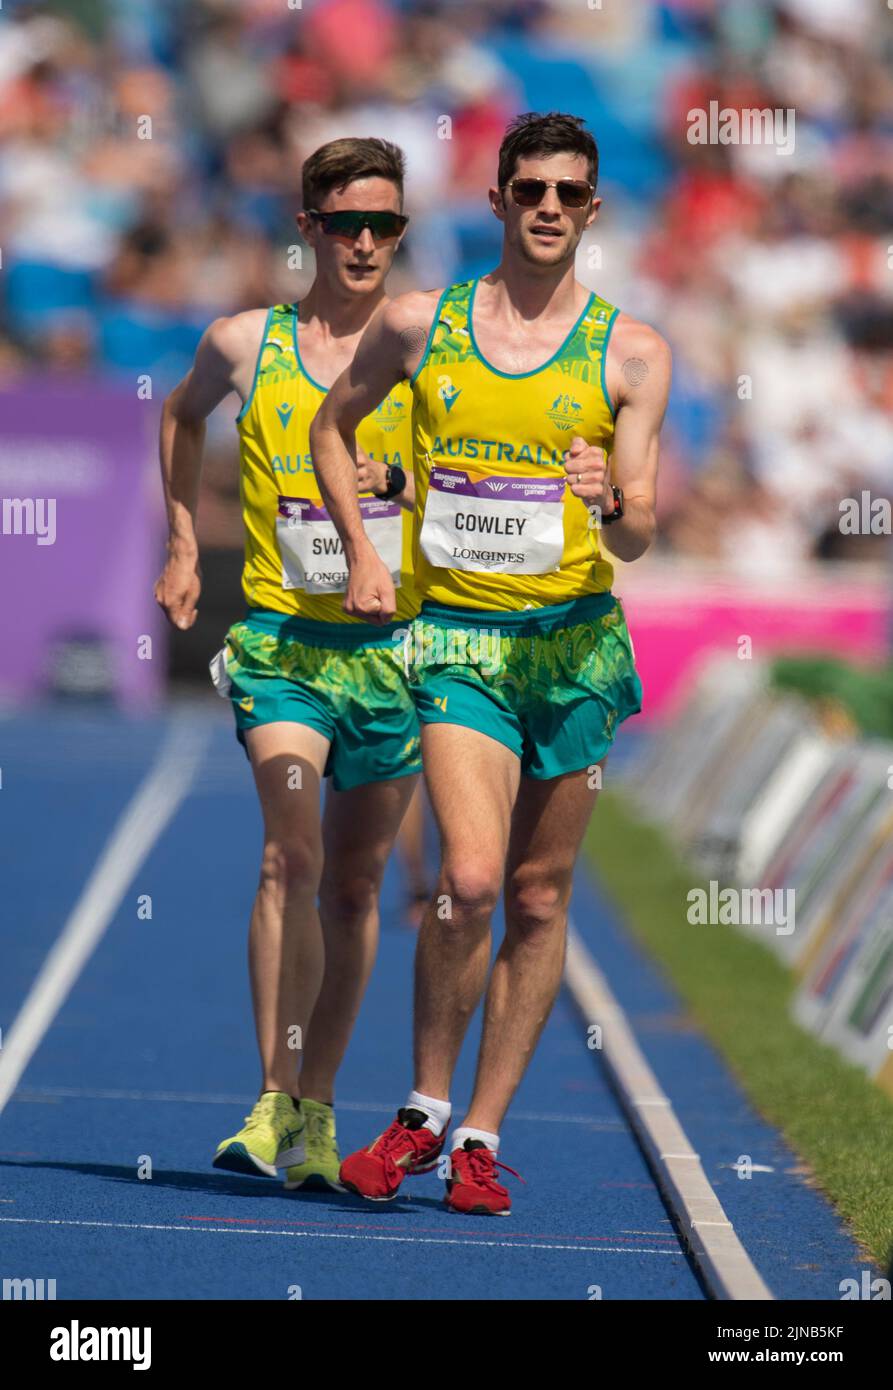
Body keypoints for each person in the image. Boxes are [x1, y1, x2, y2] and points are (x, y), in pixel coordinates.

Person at [310, 112, 671, 1215]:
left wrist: (607, 493)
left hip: (571, 649)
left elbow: (638, 529)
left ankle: (479, 1133)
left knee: (536, 892)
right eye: (529, 191)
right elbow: (333, 428)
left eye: (567, 193)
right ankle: (421, 1110)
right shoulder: (424, 324)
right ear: (499, 202)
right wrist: (364, 552)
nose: (548, 208)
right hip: (458, 641)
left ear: (593, 209)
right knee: (466, 879)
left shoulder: (632, 353)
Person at [154, 137, 423, 1192]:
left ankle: (316, 1103)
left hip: (396, 653)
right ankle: (272, 1096)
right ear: (308, 228)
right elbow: (177, 418)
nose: (365, 243)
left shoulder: (430, 347)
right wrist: (182, 541)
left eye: (384, 225)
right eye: (346, 223)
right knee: (290, 858)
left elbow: (482, 475)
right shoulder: (241, 343)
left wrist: (392, 475)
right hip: (281, 646)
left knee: (355, 890)